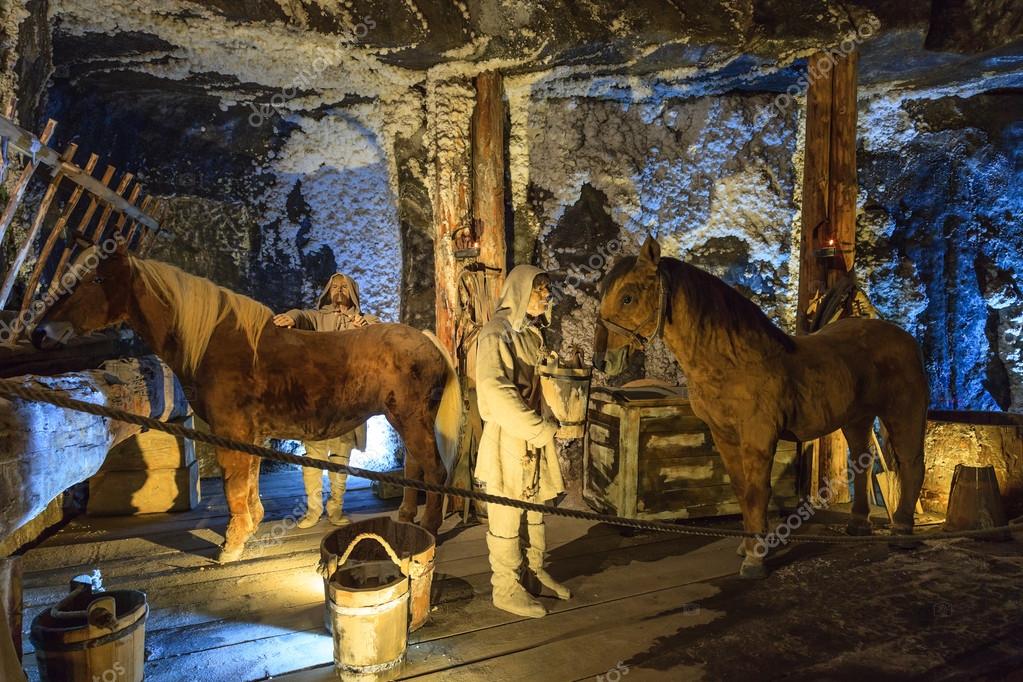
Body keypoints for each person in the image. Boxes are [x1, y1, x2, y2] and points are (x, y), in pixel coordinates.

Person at [474, 265, 571, 618]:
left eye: (546, 289)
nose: (546, 295)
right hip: (508, 438)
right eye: (539, 289)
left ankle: (533, 571)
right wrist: (538, 428)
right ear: (518, 292)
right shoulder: (495, 334)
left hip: (532, 434)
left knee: (535, 507)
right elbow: (494, 389)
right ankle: (506, 586)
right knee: (506, 512)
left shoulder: (530, 335)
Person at [273, 273, 378, 528]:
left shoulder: (367, 320)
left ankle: (336, 509)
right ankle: (312, 509)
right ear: (327, 292)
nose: (339, 290)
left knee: (341, 457)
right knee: (313, 455)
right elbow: (302, 315)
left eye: (344, 286)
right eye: (334, 286)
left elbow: (379, 333)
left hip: (348, 401)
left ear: (352, 291)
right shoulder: (318, 318)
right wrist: (292, 316)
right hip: (318, 400)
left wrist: (366, 330)